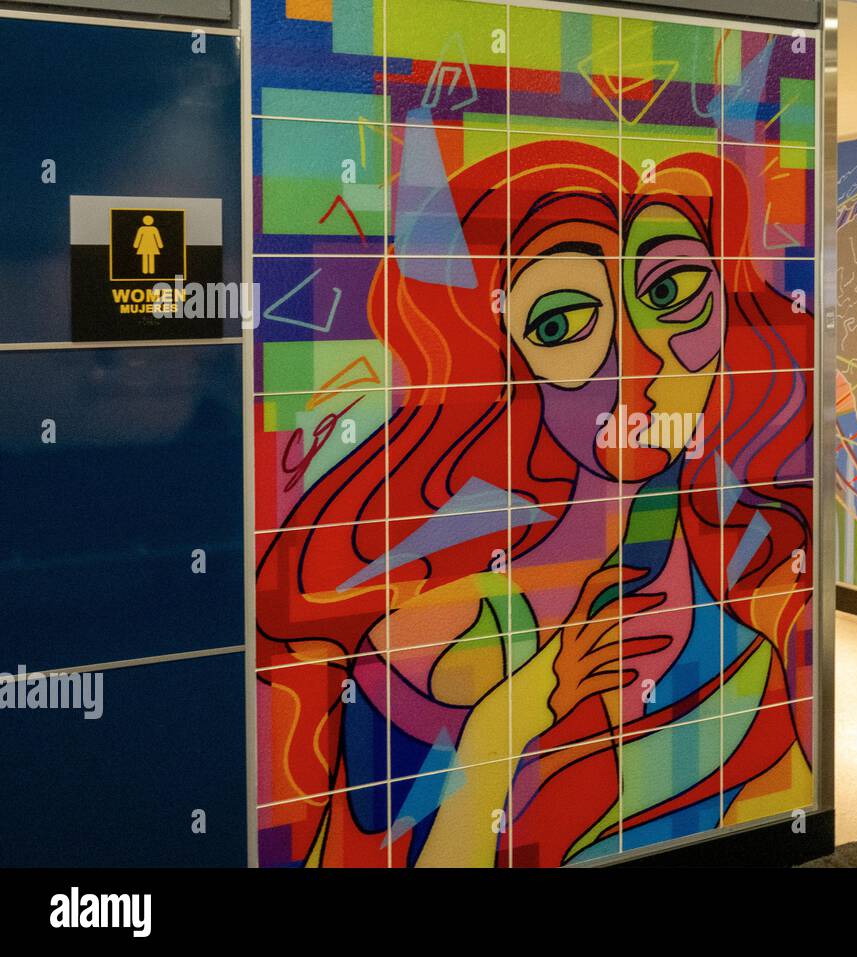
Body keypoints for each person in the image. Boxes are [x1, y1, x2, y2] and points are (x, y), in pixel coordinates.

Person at [256, 142, 814, 867]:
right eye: (563, 324)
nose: (639, 361)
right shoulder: (427, 646)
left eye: (672, 293)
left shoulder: (751, 669)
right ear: (508, 362)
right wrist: (511, 720)